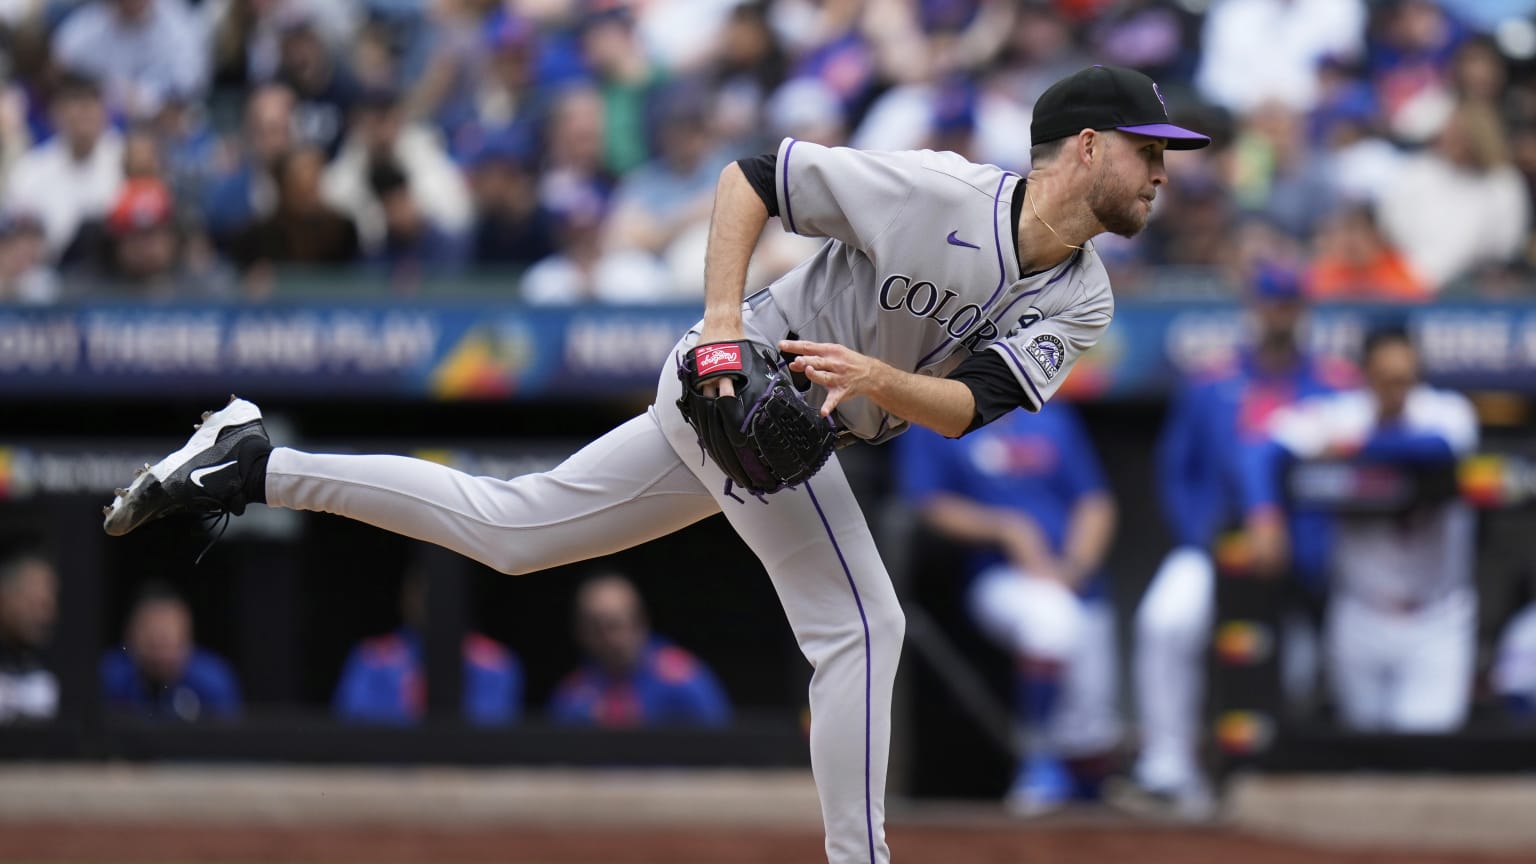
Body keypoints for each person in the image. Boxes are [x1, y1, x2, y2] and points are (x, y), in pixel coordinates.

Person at [103, 65, 1208, 864]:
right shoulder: (936, 192)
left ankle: (255, 464)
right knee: (865, 627)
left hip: (809, 418)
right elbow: (751, 176)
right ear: (1086, 146)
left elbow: (975, 406)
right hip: (735, 382)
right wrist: (723, 324)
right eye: (1150, 151)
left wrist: (874, 380)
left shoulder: (1086, 293)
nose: (1164, 175)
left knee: (514, 530)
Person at [1116, 264, 1349, 818]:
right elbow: (1178, 472)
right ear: (1252, 305)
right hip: (1219, 546)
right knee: (1167, 620)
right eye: (1270, 302)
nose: (1279, 314)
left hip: (1308, 553)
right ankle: (1168, 767)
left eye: (1289, 304)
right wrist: (1208, 540)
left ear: (1304, 311)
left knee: (1298, 669)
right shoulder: (1212, 381)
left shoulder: (1333, 385)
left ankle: (1283, 793)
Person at [1243, 327, 1479, 732]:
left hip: (1436, 616)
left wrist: (1352, 448)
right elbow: (1259, 451)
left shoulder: (1447, 411)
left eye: (1405, 379)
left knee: (1423, 748)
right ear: (1366, 376)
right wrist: (1265, 515)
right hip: (1360, 614)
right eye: (1386, 380)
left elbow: (1436, 450)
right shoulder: (1341, 412)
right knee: (1364, 755)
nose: (1396, 391)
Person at [896, 403, 1118, 816]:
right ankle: (1038, 761)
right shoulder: (936, 414)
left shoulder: (1056, 417)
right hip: (998, 578)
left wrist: (1075, 565)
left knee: (1093, 717)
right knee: (1050, 621)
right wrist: (1007, 528)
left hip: (1073, 581)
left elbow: (1095, 503)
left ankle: (1088, 793)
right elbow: (929, 505)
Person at [333, 566, 522, 725]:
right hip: (387, 767)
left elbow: (493, 730)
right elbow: (353, 723)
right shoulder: (371, 657)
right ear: (406, 597)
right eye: (419, 591)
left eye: (440, 591)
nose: (428, 601)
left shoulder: (495, 661)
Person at [550, 572, 730, 727]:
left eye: (615, 624)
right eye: (596, 628)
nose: (608, 638)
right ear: (581, 632)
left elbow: (721, 747)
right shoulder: (573, 693)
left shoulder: (682, 679)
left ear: (640, 621)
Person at [100, 583, 242, 721]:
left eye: (168, 638)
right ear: (129, 636)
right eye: (151, 640)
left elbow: (229, 740)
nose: (160, 650)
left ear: (188, 637)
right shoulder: (108, 678)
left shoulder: (213, 681)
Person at [0, 553, 59, 723]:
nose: (45, 615)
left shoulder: (55, 671)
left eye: (49, 604)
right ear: (4, 598)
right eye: (34, 603)